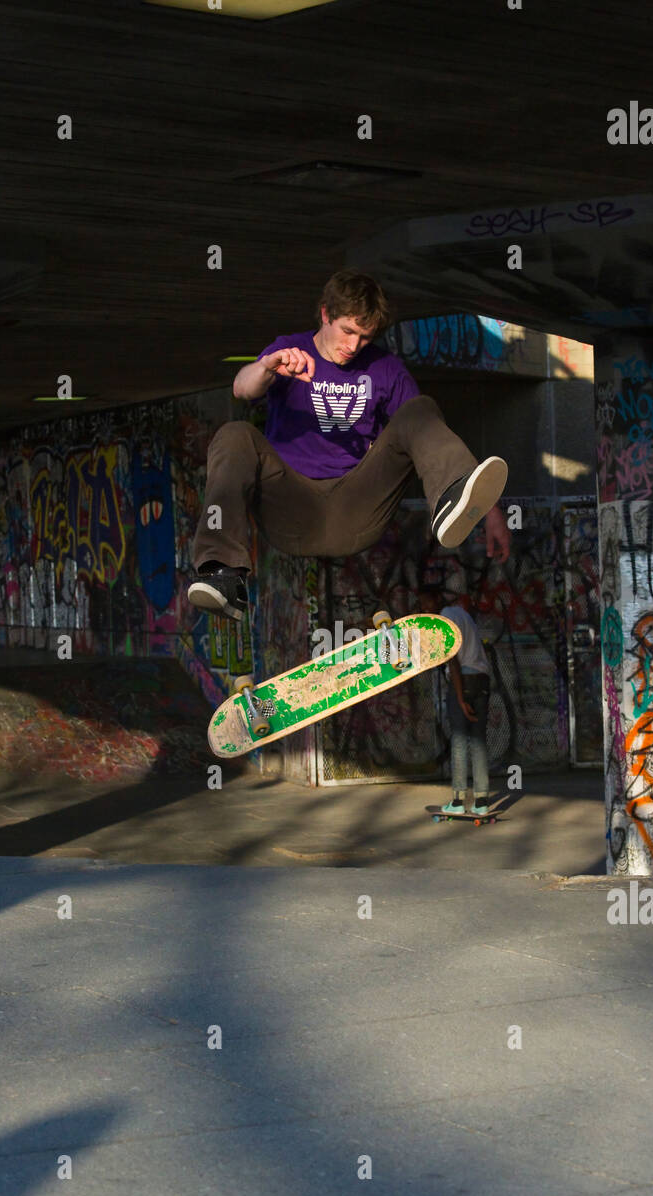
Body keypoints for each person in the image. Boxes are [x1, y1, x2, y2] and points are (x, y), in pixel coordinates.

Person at [188, 270, 510, 619]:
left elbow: (427, 430)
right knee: (235, 434)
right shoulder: (289, 350)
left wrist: (487, 508)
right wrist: (266, 368)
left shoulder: (386, 369)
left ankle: (452, 497)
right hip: (292, 511)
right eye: (348, 331)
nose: (353, 346)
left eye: (364, 337)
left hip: (358, 509)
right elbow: (242, 389)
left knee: (420, 408)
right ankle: (222, 575)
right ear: (326, 314)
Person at [418, 584, 492, 816]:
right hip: (482, 679)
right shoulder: (462, 613)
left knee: (459, 739)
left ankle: (458, 801)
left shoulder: (443, 622)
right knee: (478, 741)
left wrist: (460, 699)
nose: (425, 608)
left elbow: (453, 663)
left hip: (464, 681)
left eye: (426, 603)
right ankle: (481, 802)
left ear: (437, 598)